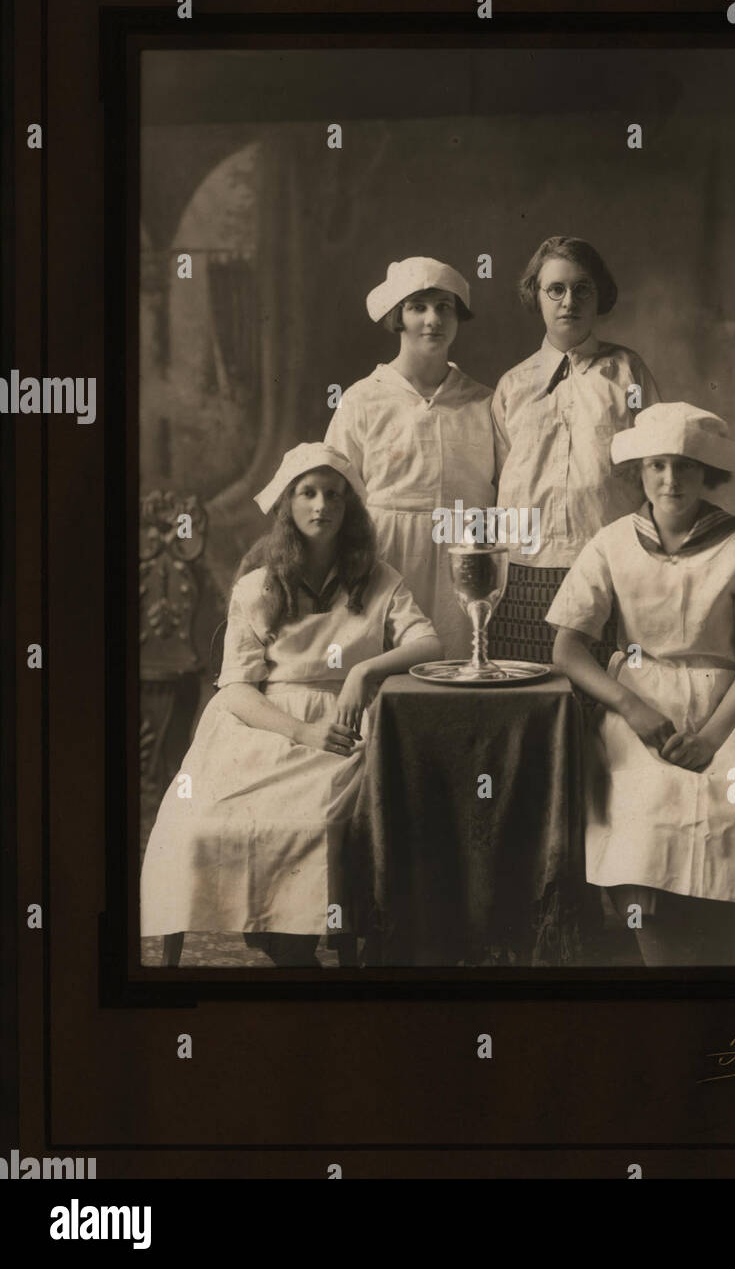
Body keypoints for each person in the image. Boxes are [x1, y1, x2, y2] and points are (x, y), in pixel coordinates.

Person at [546, 403, 735, 965]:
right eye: (657, 466)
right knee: (650, 796)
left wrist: (714, 737)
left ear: (707, 473)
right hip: (644, 699)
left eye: (686, 466)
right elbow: (567, 649)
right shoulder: (611, 543)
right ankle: (660, 943)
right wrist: (630, 707)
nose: (671, 480)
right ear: (640, 473)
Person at [140, 443, 440, 967]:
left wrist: (365, 672)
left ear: (348, 509)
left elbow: (429, 644)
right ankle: (280, 942)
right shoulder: (258, 587)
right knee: (199, 820)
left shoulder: (377, 579)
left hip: (346, 721)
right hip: (262, 722)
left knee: (315, 824)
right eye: (308, 493)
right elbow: (234, 688)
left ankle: (294, 943)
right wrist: (300, 733)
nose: (321, 505)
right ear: (287, 504)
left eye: (333, 495)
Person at [489, 235, 661, 665]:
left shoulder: (627, 371)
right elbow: (494, 478)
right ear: (537, 295)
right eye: (557, 289)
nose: (570, 301)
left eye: (583, 288)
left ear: (599, 295)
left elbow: (657, 464)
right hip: (524, 570)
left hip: (609, 563)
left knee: (603, 700)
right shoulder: (514, 384)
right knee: (527, 693)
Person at [324, 257, 495, 661]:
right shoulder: (362, 399)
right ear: (397, 317)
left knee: (458, 670)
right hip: (386, 557)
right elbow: (336, 493)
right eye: (418, 307)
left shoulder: (485, 401)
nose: (432, 319)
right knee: (384, 671)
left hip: (464, 556)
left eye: (444, 307)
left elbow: (506, 487)